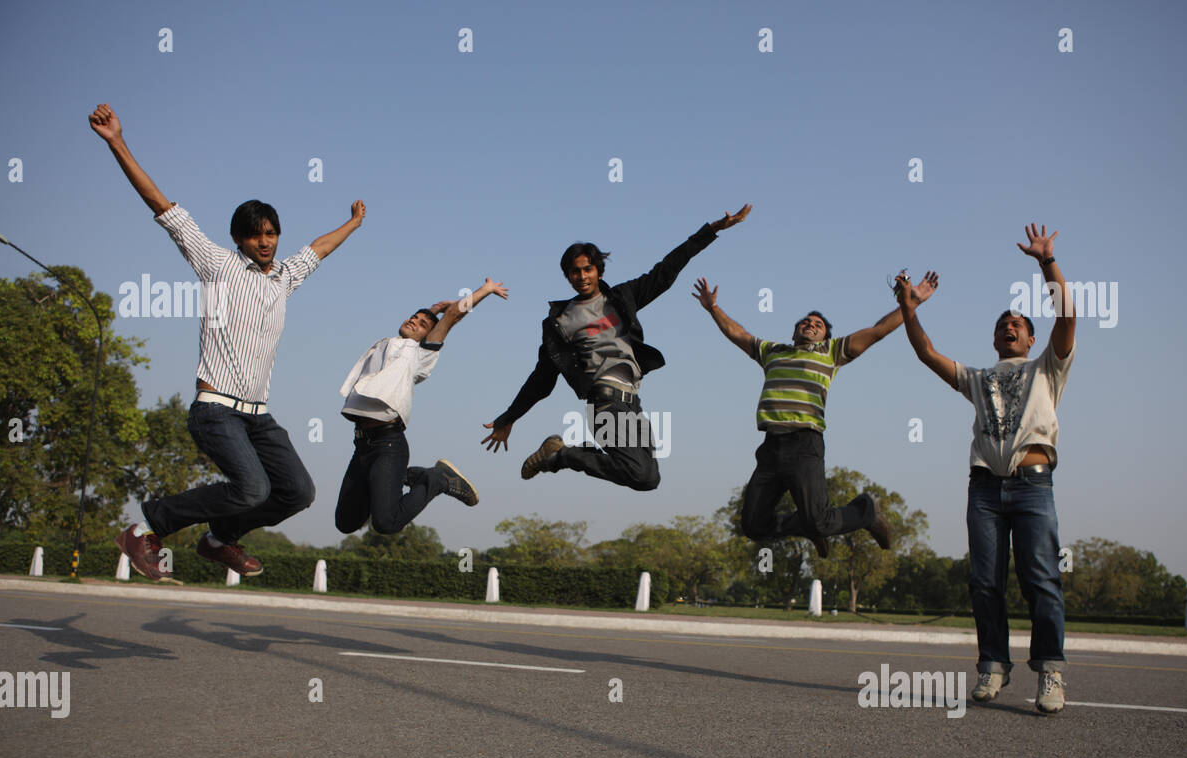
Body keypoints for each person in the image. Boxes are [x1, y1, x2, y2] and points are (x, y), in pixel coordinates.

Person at [89, 103, 366, 580]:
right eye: (256, 235)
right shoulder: (216, 265)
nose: (266, 242)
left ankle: (219, 540)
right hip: (215, 409)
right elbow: (163, 206)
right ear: (238, 238)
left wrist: (354, 224)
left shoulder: (283, 277)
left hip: (258, 415)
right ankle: (146, 527)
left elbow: (317, 249)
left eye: (272, 233)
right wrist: (117, 141)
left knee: (297, 492)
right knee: (251, 488)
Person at [899, 223, 1076, 714]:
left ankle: (1051, 672)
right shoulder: (978, 378)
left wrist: (1046, 262)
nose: (1009, 326)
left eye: (1018, 323)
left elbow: (1069, 314)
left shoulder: (1047, 368)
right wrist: (909, 311)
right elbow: (926, 353)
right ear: (994, 337)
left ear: (1031, 336)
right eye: (1002, 324)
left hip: (1033, 486)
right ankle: (993, 666)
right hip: (984, 490)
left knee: (1041, 578)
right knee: (984, 583)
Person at [480, 205, 752, 489]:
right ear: (567, 276)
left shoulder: (621, 298)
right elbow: (541, 379)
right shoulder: (559, 323)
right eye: (574, 272)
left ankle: (560, 454)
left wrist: (711, 231)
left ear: (598, 271)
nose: (582, 276)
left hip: (632, 402)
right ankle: (562, 456)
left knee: (650, 477)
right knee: (641, 475)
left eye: (588, 269)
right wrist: (509, 417)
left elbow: (665, 272)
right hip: (605, 403)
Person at [692, 271, 938, 557]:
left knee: (819, 520)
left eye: (818, 324)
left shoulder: (831, 352)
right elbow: (738, 334)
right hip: (771, 446)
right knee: (754, 526)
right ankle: (807, 528)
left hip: (804, 445)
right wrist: (713, 308)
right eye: (805, 322)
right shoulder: (773, 351)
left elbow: (878, 330)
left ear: (824, 335)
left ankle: (866, 511)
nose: (810, 324)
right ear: (795, 331)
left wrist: (912, 303)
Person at [334, 280, 507, 537]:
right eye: (413, 317)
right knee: (346, 523)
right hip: (362, 445)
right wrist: (432, 309)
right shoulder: (387, 344)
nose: (414, 321)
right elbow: (437, 315)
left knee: (386, 523)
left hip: (388, 445)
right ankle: (398, 477)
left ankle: (436, 479)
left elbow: (453, 316)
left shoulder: (419, 355)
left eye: (422, 324)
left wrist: (486, 290)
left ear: (429, 337)